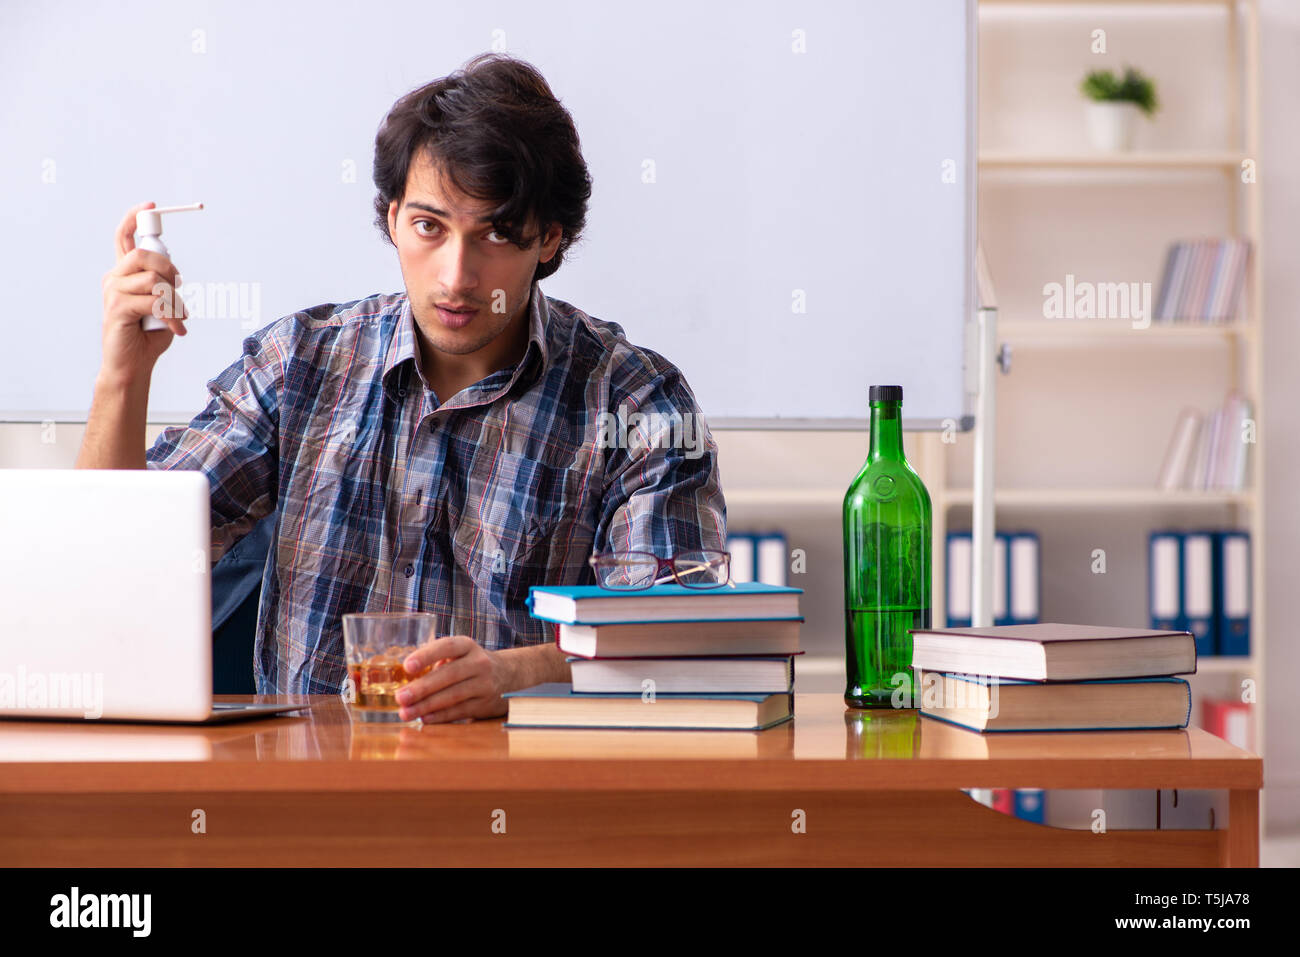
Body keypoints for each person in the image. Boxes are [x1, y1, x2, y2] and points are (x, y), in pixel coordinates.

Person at [77, 52, 727, 723]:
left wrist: (516, 674)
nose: (455, 276)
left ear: (549, 240)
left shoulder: (636, 401)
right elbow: (114, 571)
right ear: (391, 219)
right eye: (429, 226)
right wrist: (124, 376)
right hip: (309, 800)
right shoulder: (298, 364)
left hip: (526, 803)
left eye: (497, 233)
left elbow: (684, 638)